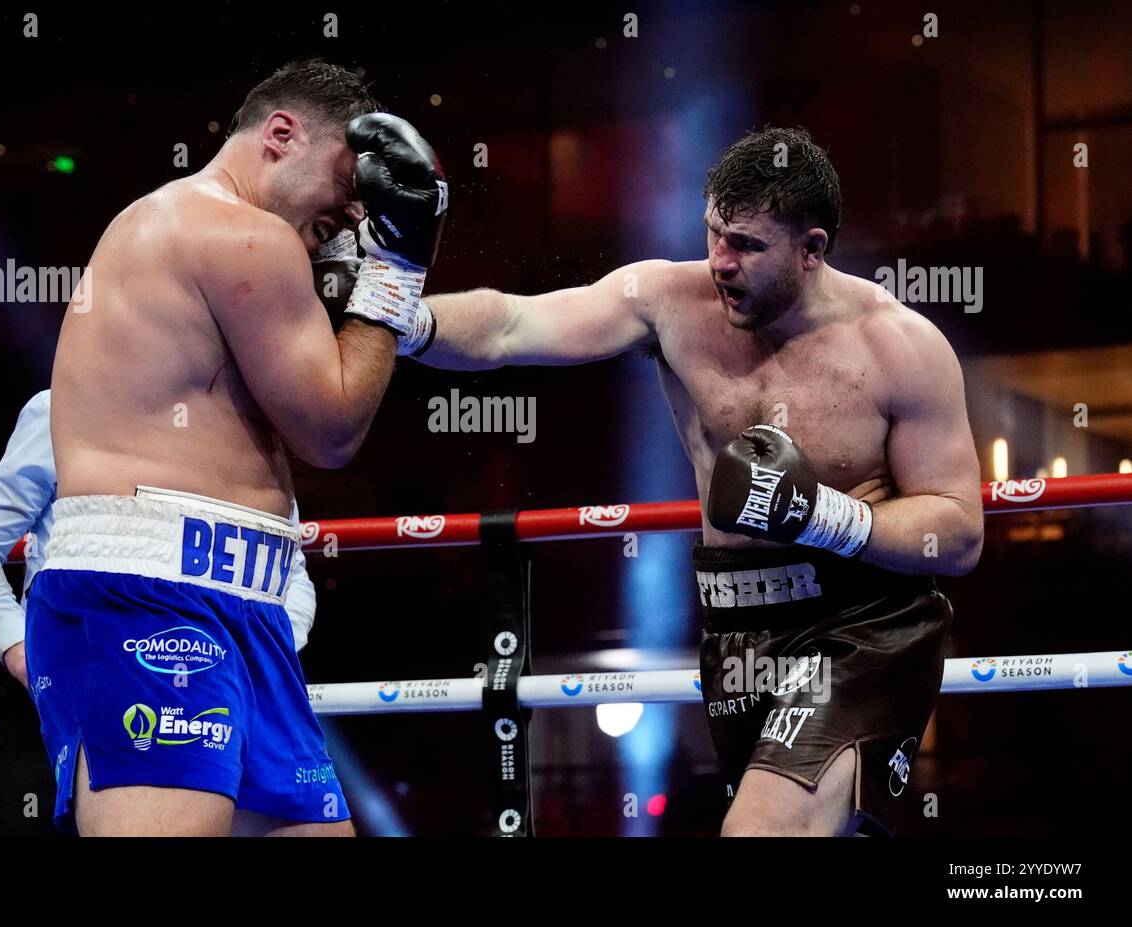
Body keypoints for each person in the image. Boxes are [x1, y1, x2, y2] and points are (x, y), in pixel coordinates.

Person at [409, 126, 982, 836]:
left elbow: (957, 533)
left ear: (811, 249)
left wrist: (819, 513)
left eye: (745, 243)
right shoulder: (668, 303)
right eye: (712, 231)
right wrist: (402, 316)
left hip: (862, 627)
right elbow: (511, 325)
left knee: (760, 830)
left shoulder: (902, 348)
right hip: (734, 629)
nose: (719, 261)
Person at [27, 58, 447, 836]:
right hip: (152, 592)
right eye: (344, 179)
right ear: (280, 135)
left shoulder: (175, 224)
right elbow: (332, 428)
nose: (356, 210)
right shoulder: (239, 232)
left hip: (236, 598)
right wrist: (395, 270)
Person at [0, 389, 319, 836]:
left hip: (207, 695)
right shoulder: (65, 409)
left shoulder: (251, 425)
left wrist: (250, 662)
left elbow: (289, 573)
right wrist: (20, 648)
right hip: (63, 681)